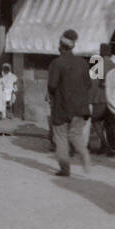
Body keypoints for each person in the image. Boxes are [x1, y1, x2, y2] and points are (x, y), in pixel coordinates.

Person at [47, 29, 92, 177]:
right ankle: (84, 155)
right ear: (73, 46)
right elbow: (88, 84)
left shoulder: (57, 63)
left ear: (60, 45)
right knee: (76, 135)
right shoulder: (83, 63)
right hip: (81, 107)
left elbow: (52, 86)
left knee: (60, 136)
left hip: (62, 106)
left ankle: (65, 168)